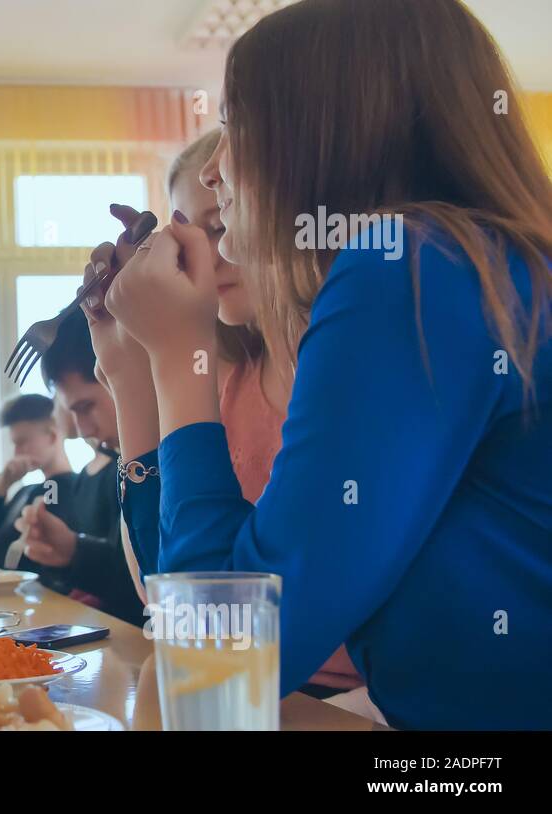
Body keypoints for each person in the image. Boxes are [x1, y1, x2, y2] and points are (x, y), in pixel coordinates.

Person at [103, 0, 552, 728]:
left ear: (327, 137)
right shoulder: (475, 264)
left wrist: (177, 356)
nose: (215, 171)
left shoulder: (404, 266)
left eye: (237, 125)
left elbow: (222, 664)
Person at [86, 129, 361, 697]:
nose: (210, 256)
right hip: (250, 692)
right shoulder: (226, 385)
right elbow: (165, 591)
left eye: (220, 223)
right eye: (187, 237)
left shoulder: (363, 375)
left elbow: (222, 636)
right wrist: (127, 371)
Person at [12, 310, 145, 626]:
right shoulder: (103, 472)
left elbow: (153, 591)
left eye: (87, 407)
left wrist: (76, 552)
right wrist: (69, 552)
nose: (83, 429)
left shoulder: (147, 469)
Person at [0, 394, 75, 565]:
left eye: (22, 442)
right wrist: (1, 489)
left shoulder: (60, 489)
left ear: (52, 437)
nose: (17, 452)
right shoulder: (27, 491)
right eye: (14, 444)